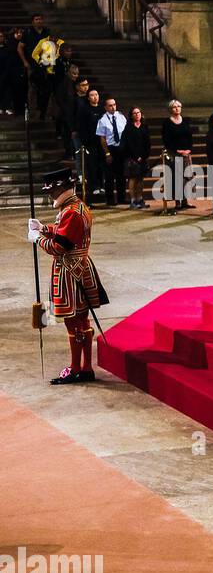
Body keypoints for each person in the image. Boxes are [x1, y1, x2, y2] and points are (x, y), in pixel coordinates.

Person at [27, 167, 109, 384]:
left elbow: (59, 247)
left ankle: (76, 368)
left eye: (51, 190)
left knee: (73, 322)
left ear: (61, 187)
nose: (49, 194)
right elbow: (66, 232)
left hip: (70, 272)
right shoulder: (75, 206)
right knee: (82, 319)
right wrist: (45, 228)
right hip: (79, 268)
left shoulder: (71, 211)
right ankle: (85, 367)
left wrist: (37, 238)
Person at [160, 100, 195, 210]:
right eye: (174, 107)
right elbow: (166, 140)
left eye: (179, 106)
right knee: (177, 178)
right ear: (171, 109)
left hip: (186, 154)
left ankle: (185, 201)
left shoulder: (185, 121)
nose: (177, 108)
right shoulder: (167, 123)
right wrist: (178, 150)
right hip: (174, 154)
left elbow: (190, 136)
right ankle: (178, 202)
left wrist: (189, 149)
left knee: (187, 178)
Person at [95, 96, 128, 208]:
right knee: (109, 176)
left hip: (121, 148)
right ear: (105, 107)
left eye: (114, 105)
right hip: (110, 148)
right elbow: (102, 138)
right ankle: (110, 199)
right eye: (110, 105)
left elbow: (126, 132)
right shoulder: (102, 120)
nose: (113, 107)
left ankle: (121, 197)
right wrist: (107, 153)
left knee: (121, 175)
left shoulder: (121, 117)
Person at [20, 14, 51, 118]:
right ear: (33, 22)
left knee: (45, 88)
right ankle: (32, 111)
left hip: (44, 65)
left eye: (40, 19)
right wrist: (25, 61)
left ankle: (44, 110)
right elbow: (20, 48)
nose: (39, 21)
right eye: (36, 19)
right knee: (32, 88)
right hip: (32, 65)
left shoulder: (47, 32)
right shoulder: (28, 33)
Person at [76, 88, 104, 200]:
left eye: (96, 94)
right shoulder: (84, 110)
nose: (95, 97)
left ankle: (101, 185)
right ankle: (94, 186)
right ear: (88, 98)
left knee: (101, 164)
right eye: (92, 95)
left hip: (101, 141)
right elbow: (82, 127)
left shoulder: (102, 109)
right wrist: (85, 141)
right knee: (92, 165)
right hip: (90, 142)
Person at [121, 107, 151, 210]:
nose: (137, 114)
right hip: (131, 158)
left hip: (142, 157)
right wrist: (135, 156)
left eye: (138, 112)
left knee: (140, 179)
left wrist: (143, 156)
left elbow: (147, 143)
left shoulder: (144, 126)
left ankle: (140, 198)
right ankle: (133, 200)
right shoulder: (128, 128)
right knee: (133, 178)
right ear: (131, 116)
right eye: (134, 113)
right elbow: (127, 144)